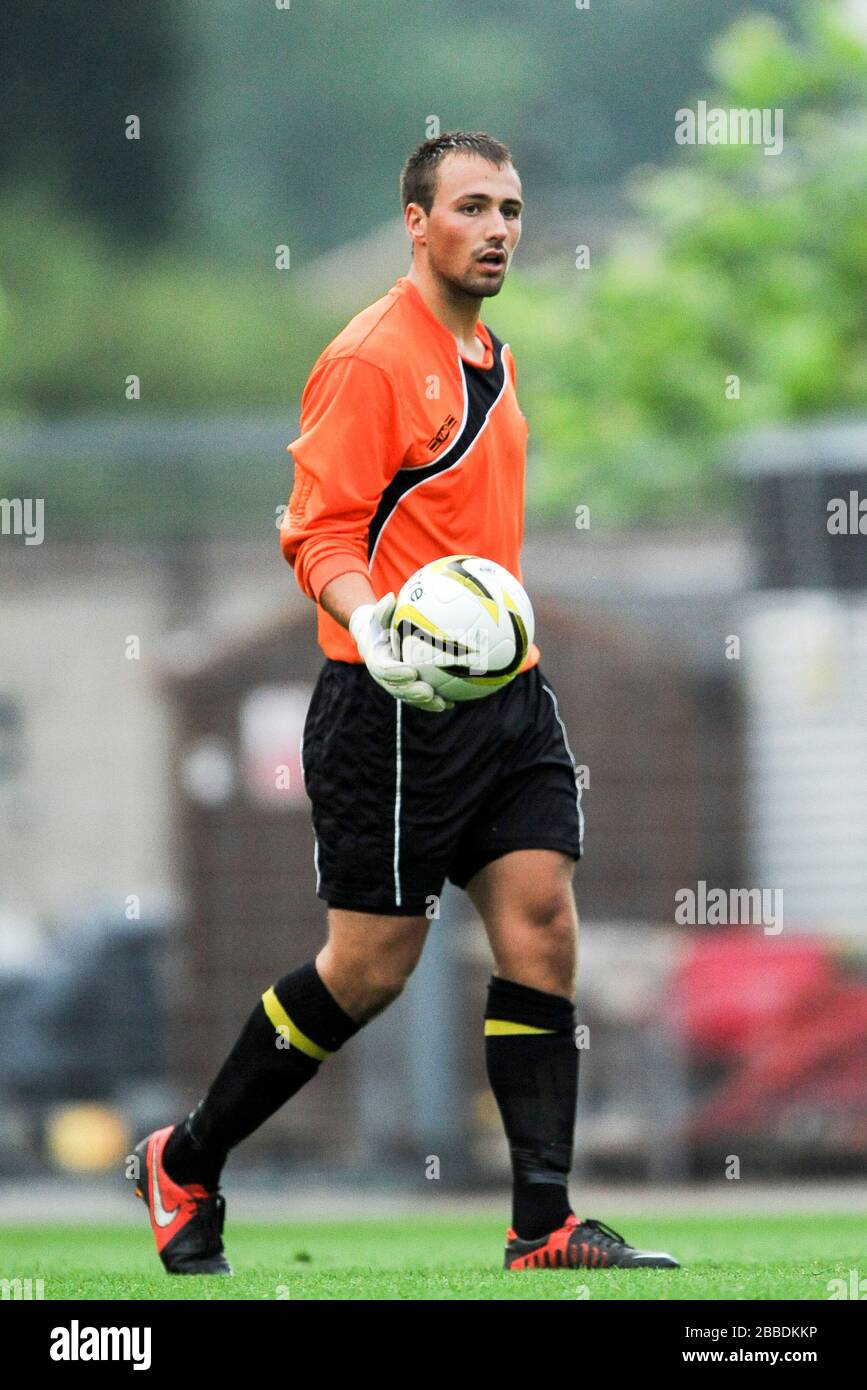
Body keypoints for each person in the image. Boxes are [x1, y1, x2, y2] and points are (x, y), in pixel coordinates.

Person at [132, 130, 678, 1275]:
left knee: (542, 925)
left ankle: (544, 1223)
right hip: (387, 710)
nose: (497, 230)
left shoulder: (494, 355)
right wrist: (371, 618)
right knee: (371, 970)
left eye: (512, 210)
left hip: (508, 701)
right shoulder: (372, 356)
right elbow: (317, 529)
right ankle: (185, 1158)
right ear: (416, 223)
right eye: (472, 207)